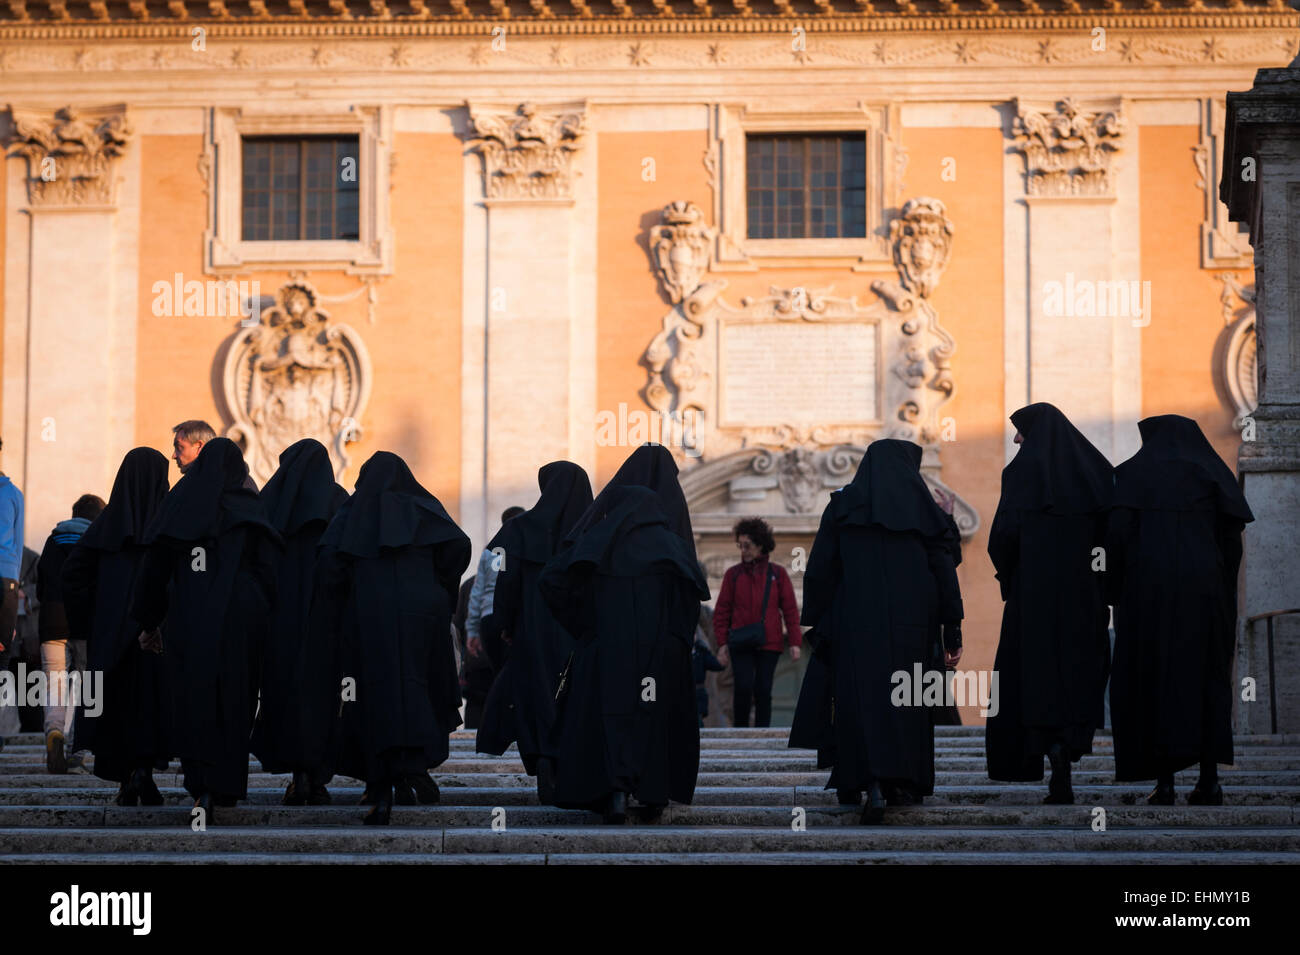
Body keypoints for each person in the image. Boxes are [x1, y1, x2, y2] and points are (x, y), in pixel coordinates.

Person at [789, 439, 963, 824]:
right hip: (912, 629)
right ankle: (901, 781)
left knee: (860, 704)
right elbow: (945, 571)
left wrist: (821, 621)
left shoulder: (842, 506)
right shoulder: (924, 511)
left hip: (856, 626)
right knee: (906, 706)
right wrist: (953, 632)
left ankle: (867, 781)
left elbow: (820, 569)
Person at [539, 444, 710, 824]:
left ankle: (615, 793)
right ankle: (651, 795)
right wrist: (675, 642)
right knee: (652, 714)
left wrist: (586, 629)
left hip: (609, 648)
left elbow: (553, 581)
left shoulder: (599, 540)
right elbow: (690, 601)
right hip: (657, 654)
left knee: (610, 715)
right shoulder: (672, 546)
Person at [301, 452, 470, 825]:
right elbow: (458, 547)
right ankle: (415, 768)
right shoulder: (424, 507)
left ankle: (380, 784)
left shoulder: (354, 512)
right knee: (419, 686)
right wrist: (440, 590)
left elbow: (329, 567)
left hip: (369, 613)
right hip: (420, 612)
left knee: (371, 693)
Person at [1107, 414, 1254, 806]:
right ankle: (1209, 781)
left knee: (1154, 683)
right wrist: (1221, 589)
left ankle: (1165, 783)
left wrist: (1115, 592)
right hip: (1204, 601)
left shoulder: (1133, 476)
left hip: (1145, 601)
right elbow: (1233, 545)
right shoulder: (1211, 475)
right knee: (1205, 682)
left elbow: (1115, 542)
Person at [131, 438, 280, 821]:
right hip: (240, 623)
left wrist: (149, 622)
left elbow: (154, 569)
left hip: (190, 619)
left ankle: (201, 787)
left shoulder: (179, 506)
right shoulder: (249, 508)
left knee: (194, 698)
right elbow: (269, 572)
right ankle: (224, 785)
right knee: (236, 699)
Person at [985, 403, 1113, 805]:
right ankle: (1067, 753)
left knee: (1034, 679)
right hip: (1083, 599)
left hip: (1032, 599)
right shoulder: (1096, 473)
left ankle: (1050, 755)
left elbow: (1002, 538)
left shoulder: (1021, 475)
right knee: (1076, 675)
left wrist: (1011, 578)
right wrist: (1104, 587)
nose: (1017, 439)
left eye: (1020, 432)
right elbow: (1112, 541)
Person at [476, 462, 593, 803]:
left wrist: (506, 627)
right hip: (577, 632)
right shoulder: (592, 530)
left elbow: (504, 585)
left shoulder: (518, 530)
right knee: (575, 697)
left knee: (538, 695)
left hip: (532, 631)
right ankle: (569, 768)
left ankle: (543, 756)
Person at [62, 449, 171, 804]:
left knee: (116, 707)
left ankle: (127, 778)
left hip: (111, 639)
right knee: (149, 706)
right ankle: (143, 773)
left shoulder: (105, 527)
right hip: (153, 637)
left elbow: (72, 575)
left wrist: (93, 616)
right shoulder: (168, 524)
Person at [249, 439, 349, 806]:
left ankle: (297, 776)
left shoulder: (270, 502)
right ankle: (316, 778)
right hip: (326, 622)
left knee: (284, 694)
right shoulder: (338, 502)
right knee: (323, 698)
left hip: (280, 622)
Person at [38, 494, 106, 773]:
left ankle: (55, 731)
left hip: (52, 621)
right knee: (88, 686)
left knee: (54, 683)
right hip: (85, 622)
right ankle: (80, 750)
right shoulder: (97, 540)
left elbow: (40, 585)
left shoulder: (53, 539)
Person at [713, 517, 802, 728]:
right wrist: (722, 644)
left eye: (747, 545)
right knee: (742, 687)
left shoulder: (778, 574)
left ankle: (763, 733)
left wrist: (796, 642)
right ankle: (740, 732)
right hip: (740, 640)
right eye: (740, 545)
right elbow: (722, 612)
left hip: (769, 641)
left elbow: (790, 609)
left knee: (763, 689)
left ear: (760, 545)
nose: (743, 550)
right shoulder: (732, 575)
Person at [0, 444, 24, 748]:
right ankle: (2, 730)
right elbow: (17, 545)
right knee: (3, 657)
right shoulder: (14, 494)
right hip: (6, 579)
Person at [172, 420, 258, 491]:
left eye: (179, 448)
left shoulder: (237, 485)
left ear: (199, 447)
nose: (174, 456)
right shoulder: (188, 485)